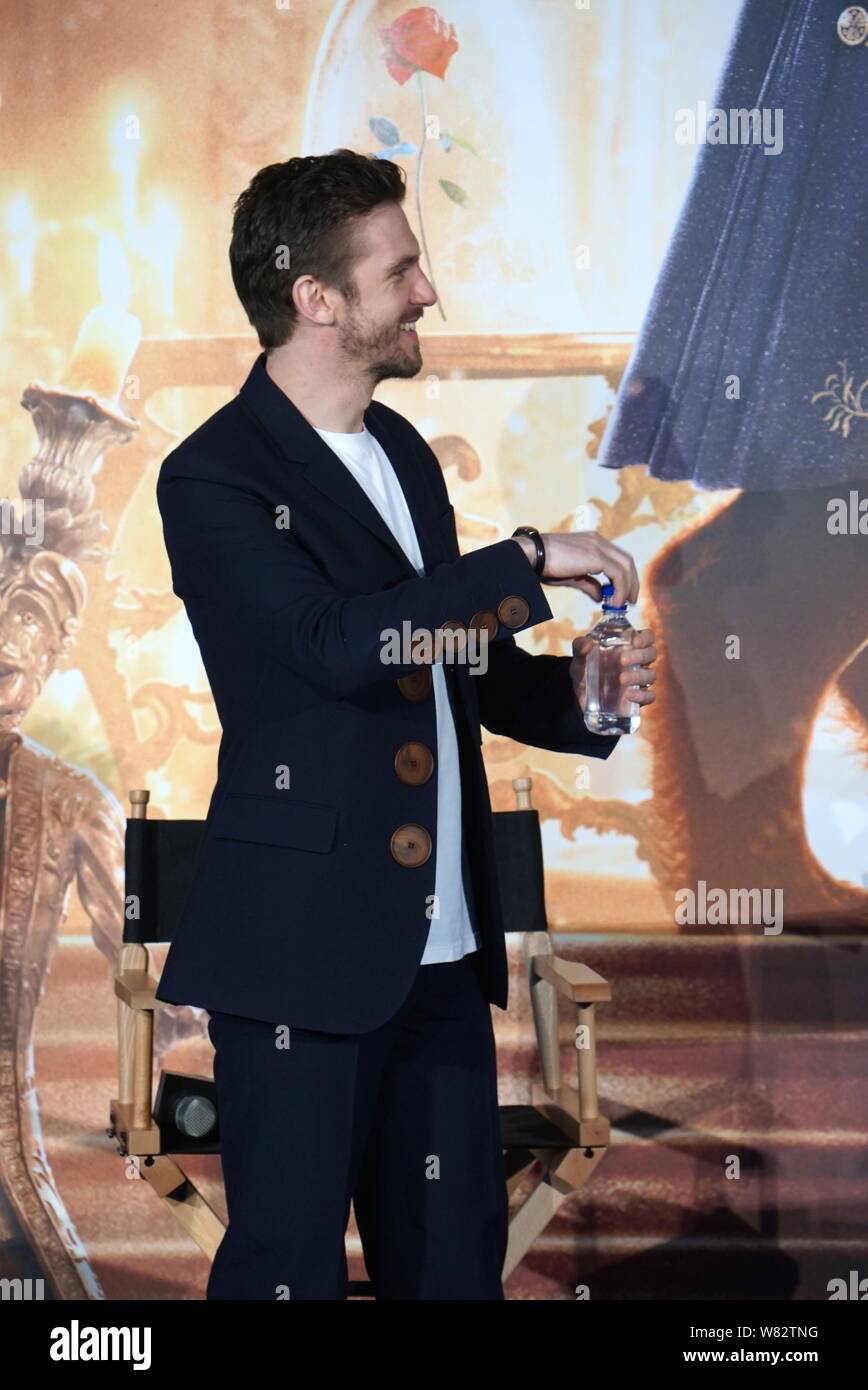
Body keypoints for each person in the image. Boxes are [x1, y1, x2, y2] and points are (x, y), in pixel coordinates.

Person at [154, 150, 658, 1299]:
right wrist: (524, 559)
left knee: (450, 1274)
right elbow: (337, 644)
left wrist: (580, 698)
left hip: (436, 957)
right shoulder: (214, 477)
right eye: (402, 269)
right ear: (316, 300)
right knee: (288, 1273)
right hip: (297, 962)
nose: (426, 290)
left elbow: (448, 664)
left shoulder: (402, 457)